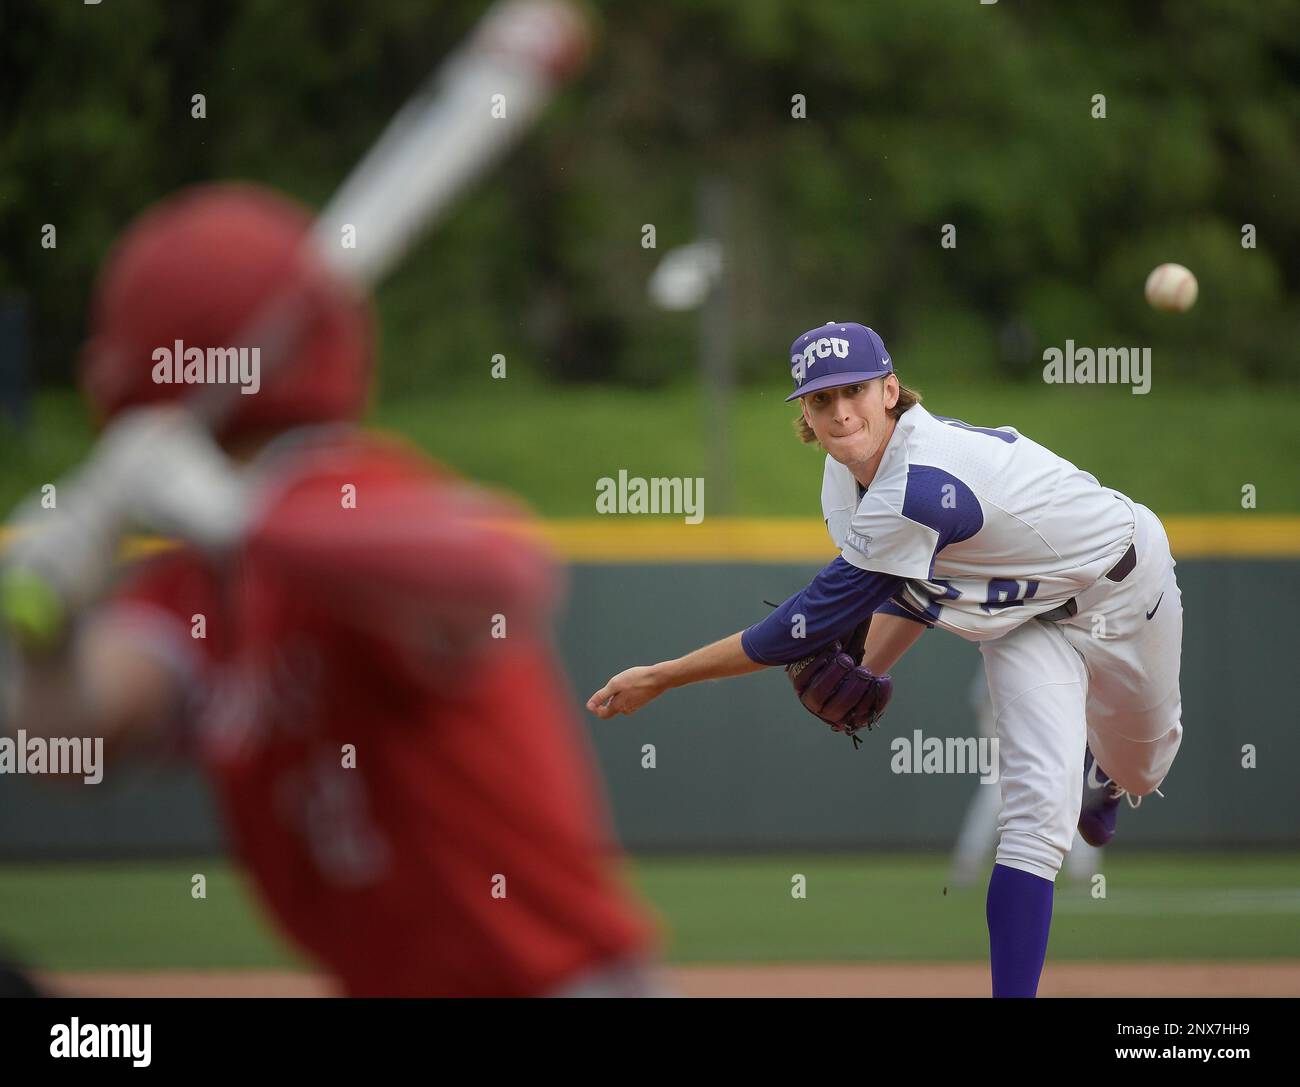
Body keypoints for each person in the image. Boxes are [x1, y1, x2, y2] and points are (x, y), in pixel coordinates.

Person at [1, 183, 657, 997]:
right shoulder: (195, 589)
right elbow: (67, 747)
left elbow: (503, 575)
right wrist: (44, 637)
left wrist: (234, 516)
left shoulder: (355, 498)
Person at [588, 321, 1183, 998]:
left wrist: (660, 676)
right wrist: (871, 667)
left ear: (890, 391)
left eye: (856, 390)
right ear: (806, 418)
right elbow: (912, 593)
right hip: (1017, 620)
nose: (841, 411)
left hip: (1123, 586)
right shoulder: (844, 488)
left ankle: (1105, 771)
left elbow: (789, 631)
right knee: (1034, 820)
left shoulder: (919, 479)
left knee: (1143, 763)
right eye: (821, 399)